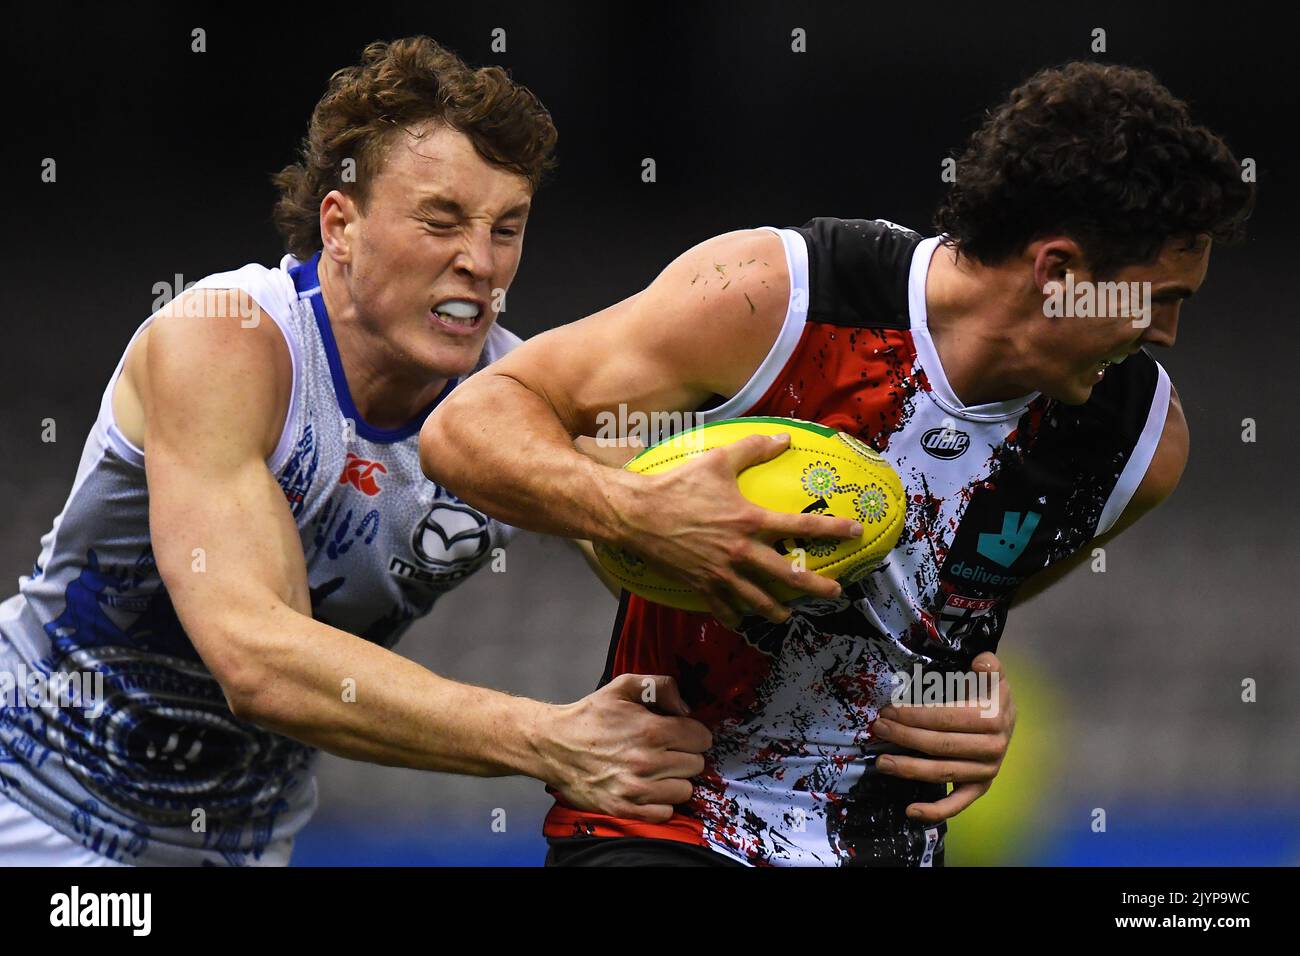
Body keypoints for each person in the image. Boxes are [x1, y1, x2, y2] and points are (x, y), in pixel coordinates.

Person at [420, 61, 1255, 866]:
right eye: (1158, 300)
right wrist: (638, 513)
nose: (1166, 336)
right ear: (1061, 271)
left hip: (880, 844)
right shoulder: (778, 296)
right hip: (662, 823)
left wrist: (967, 705)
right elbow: (469, 428)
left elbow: (930, 625)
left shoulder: (1138, 446)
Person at [0, 36, 714, 867]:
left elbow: (697, 562)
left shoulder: (522, 407)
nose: (480, 263)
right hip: (27, 813)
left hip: (242, 848)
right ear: (340, 225)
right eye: (441, 221)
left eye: (506, 228)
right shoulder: (228, 341)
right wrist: (547, 737)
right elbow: (255, 657)